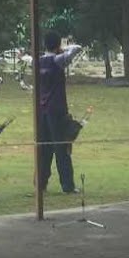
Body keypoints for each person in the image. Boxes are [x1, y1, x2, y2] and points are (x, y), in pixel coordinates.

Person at [36, 30, 82, 195]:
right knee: (62, 148)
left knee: (44, 148)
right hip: (57, 109)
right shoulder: (58, 60)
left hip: (42, 110)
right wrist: (65, 48)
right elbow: (77, 48)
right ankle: (67, 185)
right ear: (57, 45)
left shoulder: (39, 61)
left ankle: (40, 184)